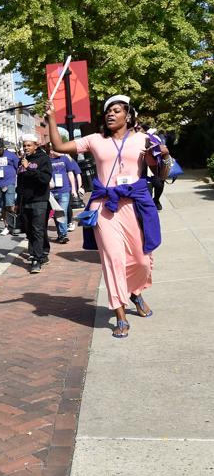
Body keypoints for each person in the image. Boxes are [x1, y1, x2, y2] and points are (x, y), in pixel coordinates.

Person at [47, 95, 164, 337]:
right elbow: (59, 147)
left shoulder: (144, 140)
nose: (111, 114)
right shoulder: (94, 140)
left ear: (128, 115)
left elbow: (160, 173)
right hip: (104, 206)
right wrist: (51, 118)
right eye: (108, 111)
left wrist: (163, 153)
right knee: (113, 259)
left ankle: (135, 292)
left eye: (117, 110)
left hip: (134, 205)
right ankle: (120, 315)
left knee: (141, 261)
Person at [17, 135, 53, 274]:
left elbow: (45, 179)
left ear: (35, 146)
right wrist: (17, 202)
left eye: (29, 145)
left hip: (39, 199)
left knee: (37, 229)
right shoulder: (23, 160)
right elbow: (20, 182)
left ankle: (36, 259)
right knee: (30, 230)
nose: (26, 148)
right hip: (25, 200)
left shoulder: (43, 159)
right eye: (24, 145)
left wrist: (29, 168)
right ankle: (43, 252)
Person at [47, 144, 81, 243]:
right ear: (52, 151)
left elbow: (71, 173)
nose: (61, 152)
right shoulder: (47, 160)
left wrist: (74, 189)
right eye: (58, 150)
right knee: (56, 213)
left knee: (62, 212)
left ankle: (63, 234)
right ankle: (61, 234)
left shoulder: (65, 159)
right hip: (52, 191)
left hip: (64, 190)